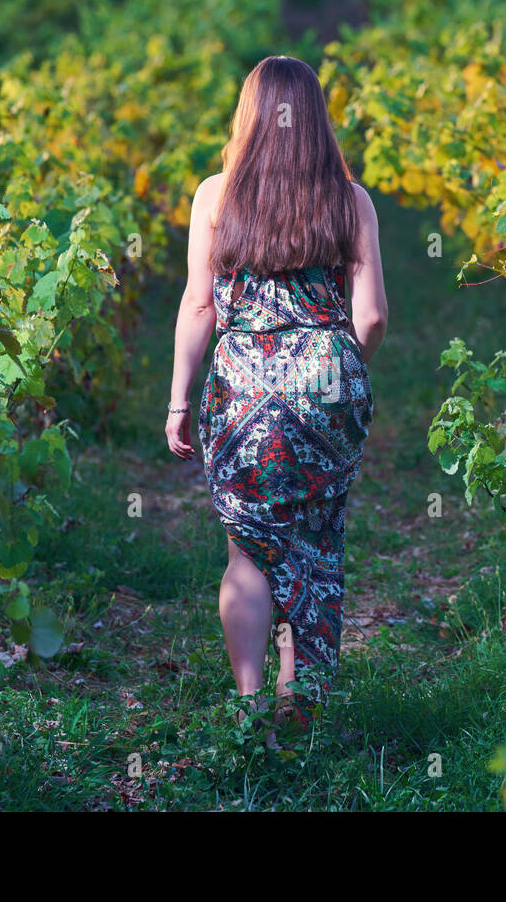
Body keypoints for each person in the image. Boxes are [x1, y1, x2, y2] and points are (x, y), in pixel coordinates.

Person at [166, 55, 388, 730]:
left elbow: (199, 308)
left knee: (248, 548)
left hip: (241, 387)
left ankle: (249, 701)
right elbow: (373, 314)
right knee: (315, 541)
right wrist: (341, 373)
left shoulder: (214, 194)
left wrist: (179, 399)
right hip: (326, 380)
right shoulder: (349, 200)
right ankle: (301, 702)